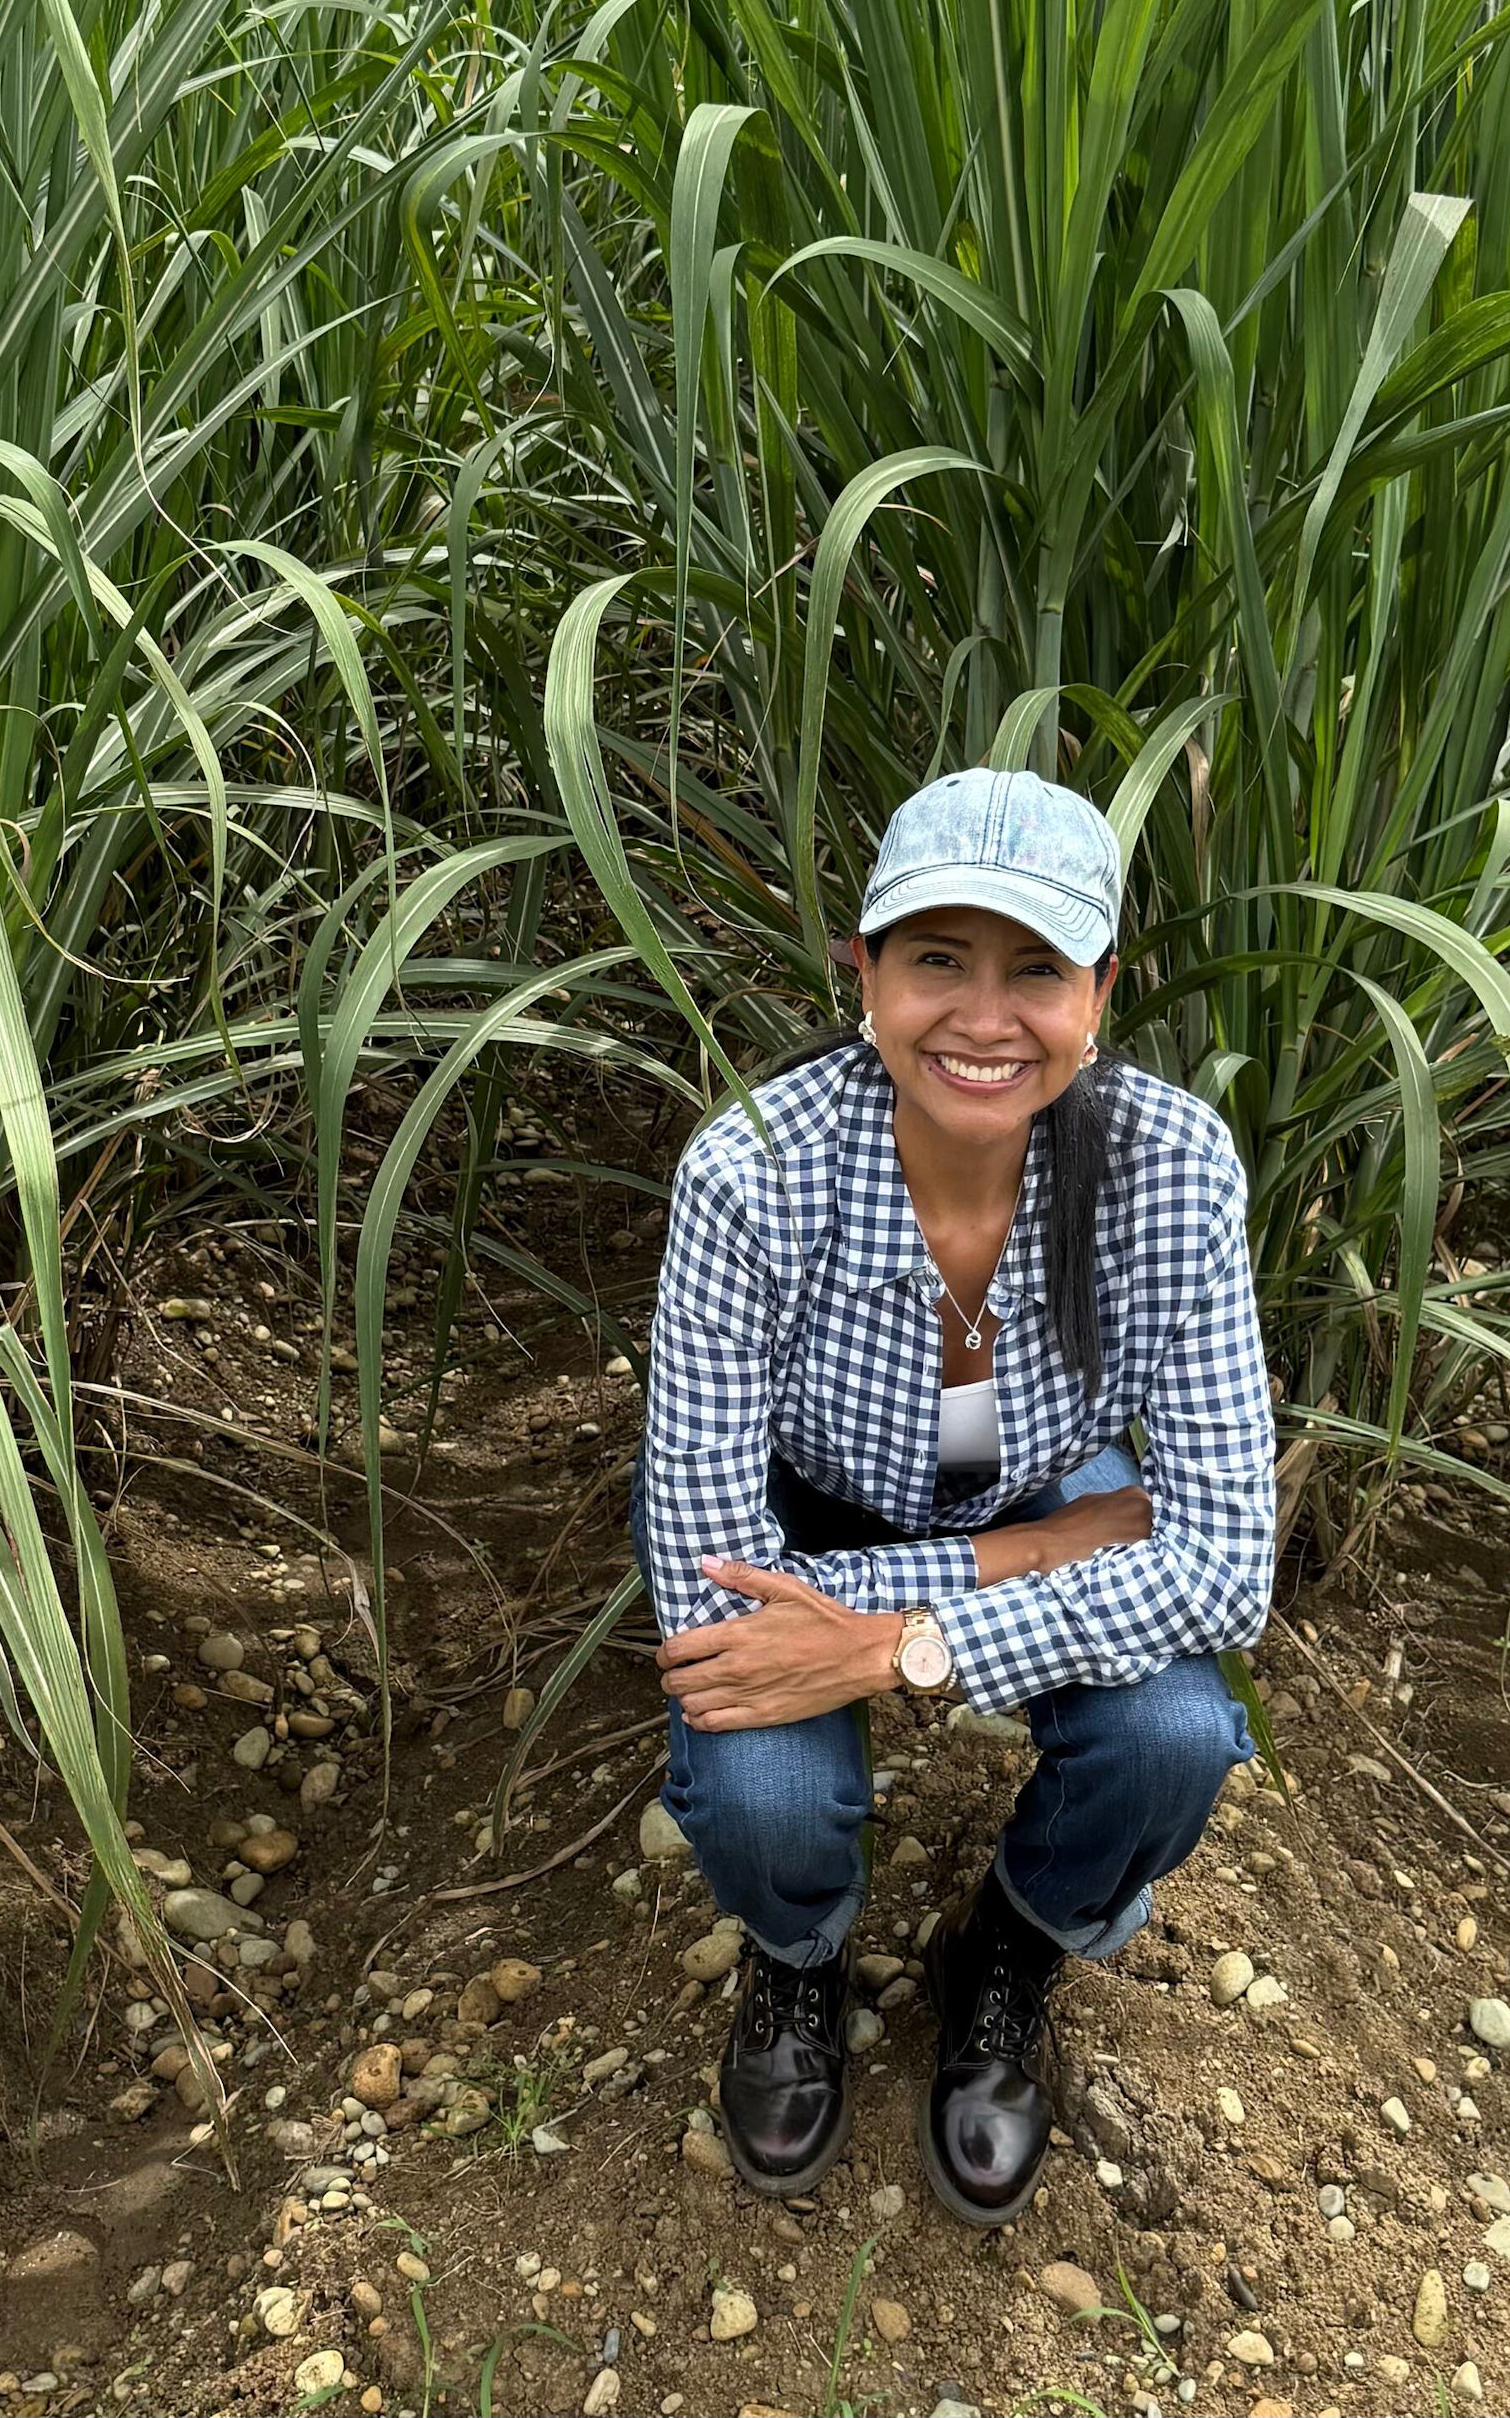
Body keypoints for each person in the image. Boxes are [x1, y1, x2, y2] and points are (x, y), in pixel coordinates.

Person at [630, 766, 1277, 2224]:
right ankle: (799, 1955)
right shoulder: (757, 1172)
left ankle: (1014, 1944)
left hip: (1035, 1483)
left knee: (1176, 1734)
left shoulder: (1172, 1168)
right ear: (861, 972)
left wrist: (901, 1646)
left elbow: (1230, 1566)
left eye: (1034, 969)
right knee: (758, 1774)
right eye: (937, 960)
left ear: (1100, 993)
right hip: (814, 1511)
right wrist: (1038, 1552)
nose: (984, 1019)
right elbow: (706, 1587)